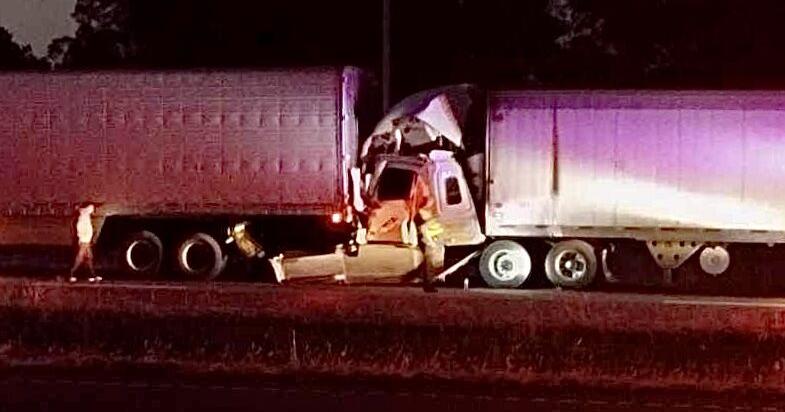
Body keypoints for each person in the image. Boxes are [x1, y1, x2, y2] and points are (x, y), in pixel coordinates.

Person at [69, 203, 101, 283]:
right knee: (81, 257)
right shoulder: (83, 216)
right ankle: (72, 274)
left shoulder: (84, 216)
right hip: (85, 238)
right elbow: (82, 229)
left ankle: (92, 275)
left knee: (89, 257)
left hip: (85, 238)